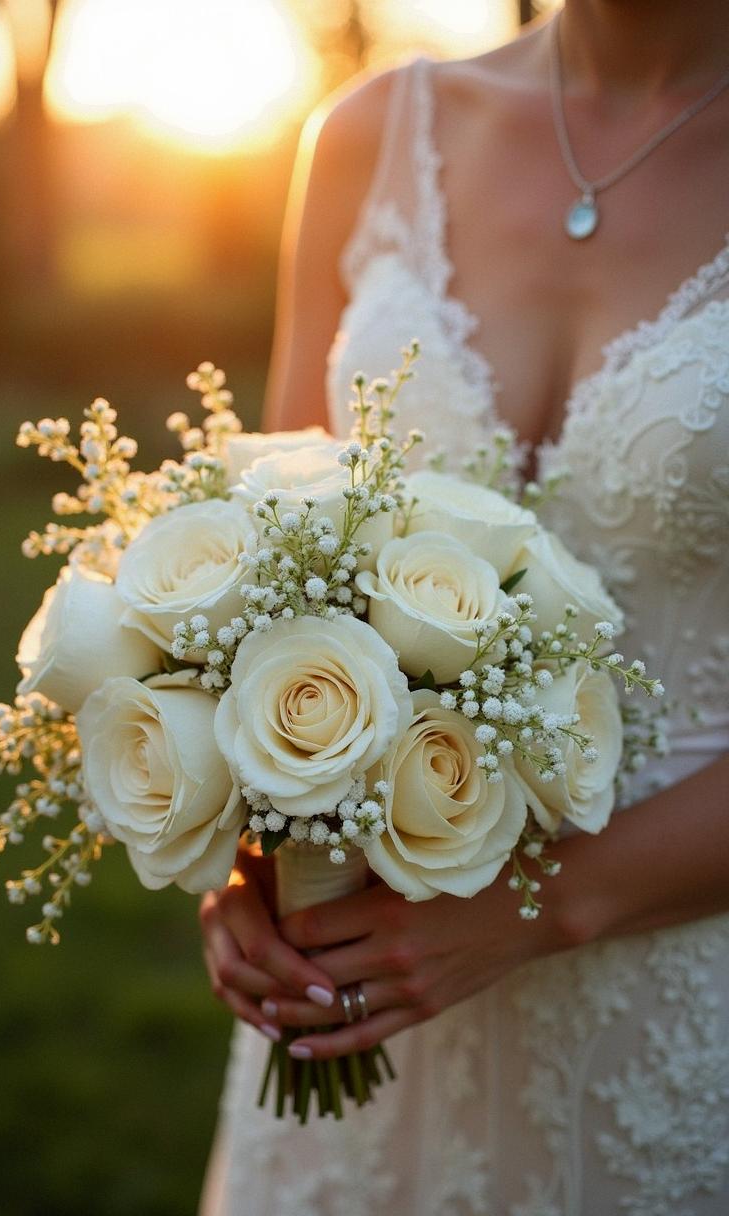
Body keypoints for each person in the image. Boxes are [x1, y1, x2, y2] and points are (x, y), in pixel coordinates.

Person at [199, 2, 729, 1212]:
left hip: (675, 998)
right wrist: (242, 863)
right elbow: (263, 554)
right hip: (354, 986)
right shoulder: (373, 134)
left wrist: (537, 909)